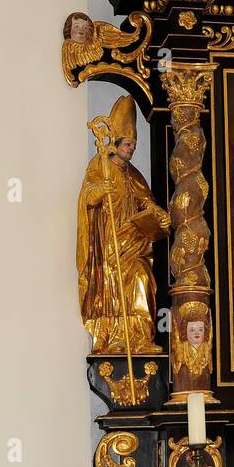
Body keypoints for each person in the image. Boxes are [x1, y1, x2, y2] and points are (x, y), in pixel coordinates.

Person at [76, 95, 170, 354]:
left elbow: (146, 202)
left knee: (141, 278)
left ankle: (139, 339)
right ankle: (114, 339)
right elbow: (87, 198)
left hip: (134, 246)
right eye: (128, 143)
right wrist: (99, 192)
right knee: (113, 291)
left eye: (134, 144)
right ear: (115, 142)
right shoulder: (100, 167)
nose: (132, 149)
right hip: (109, 245)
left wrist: (157, 213)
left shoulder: (135, 175)